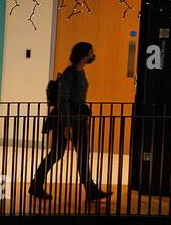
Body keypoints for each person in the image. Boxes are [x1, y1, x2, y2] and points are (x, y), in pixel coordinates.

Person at [29, 41, 110, 202]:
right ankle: (36, 185)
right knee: (57, 154)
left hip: (78, 121)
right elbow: (62, 100)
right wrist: (66, 125)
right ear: (84, 54)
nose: (93, 55)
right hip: (66, 122)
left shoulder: (81, 72)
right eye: (91, 52)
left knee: (81, 155)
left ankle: (90, 189)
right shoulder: (69, 74)